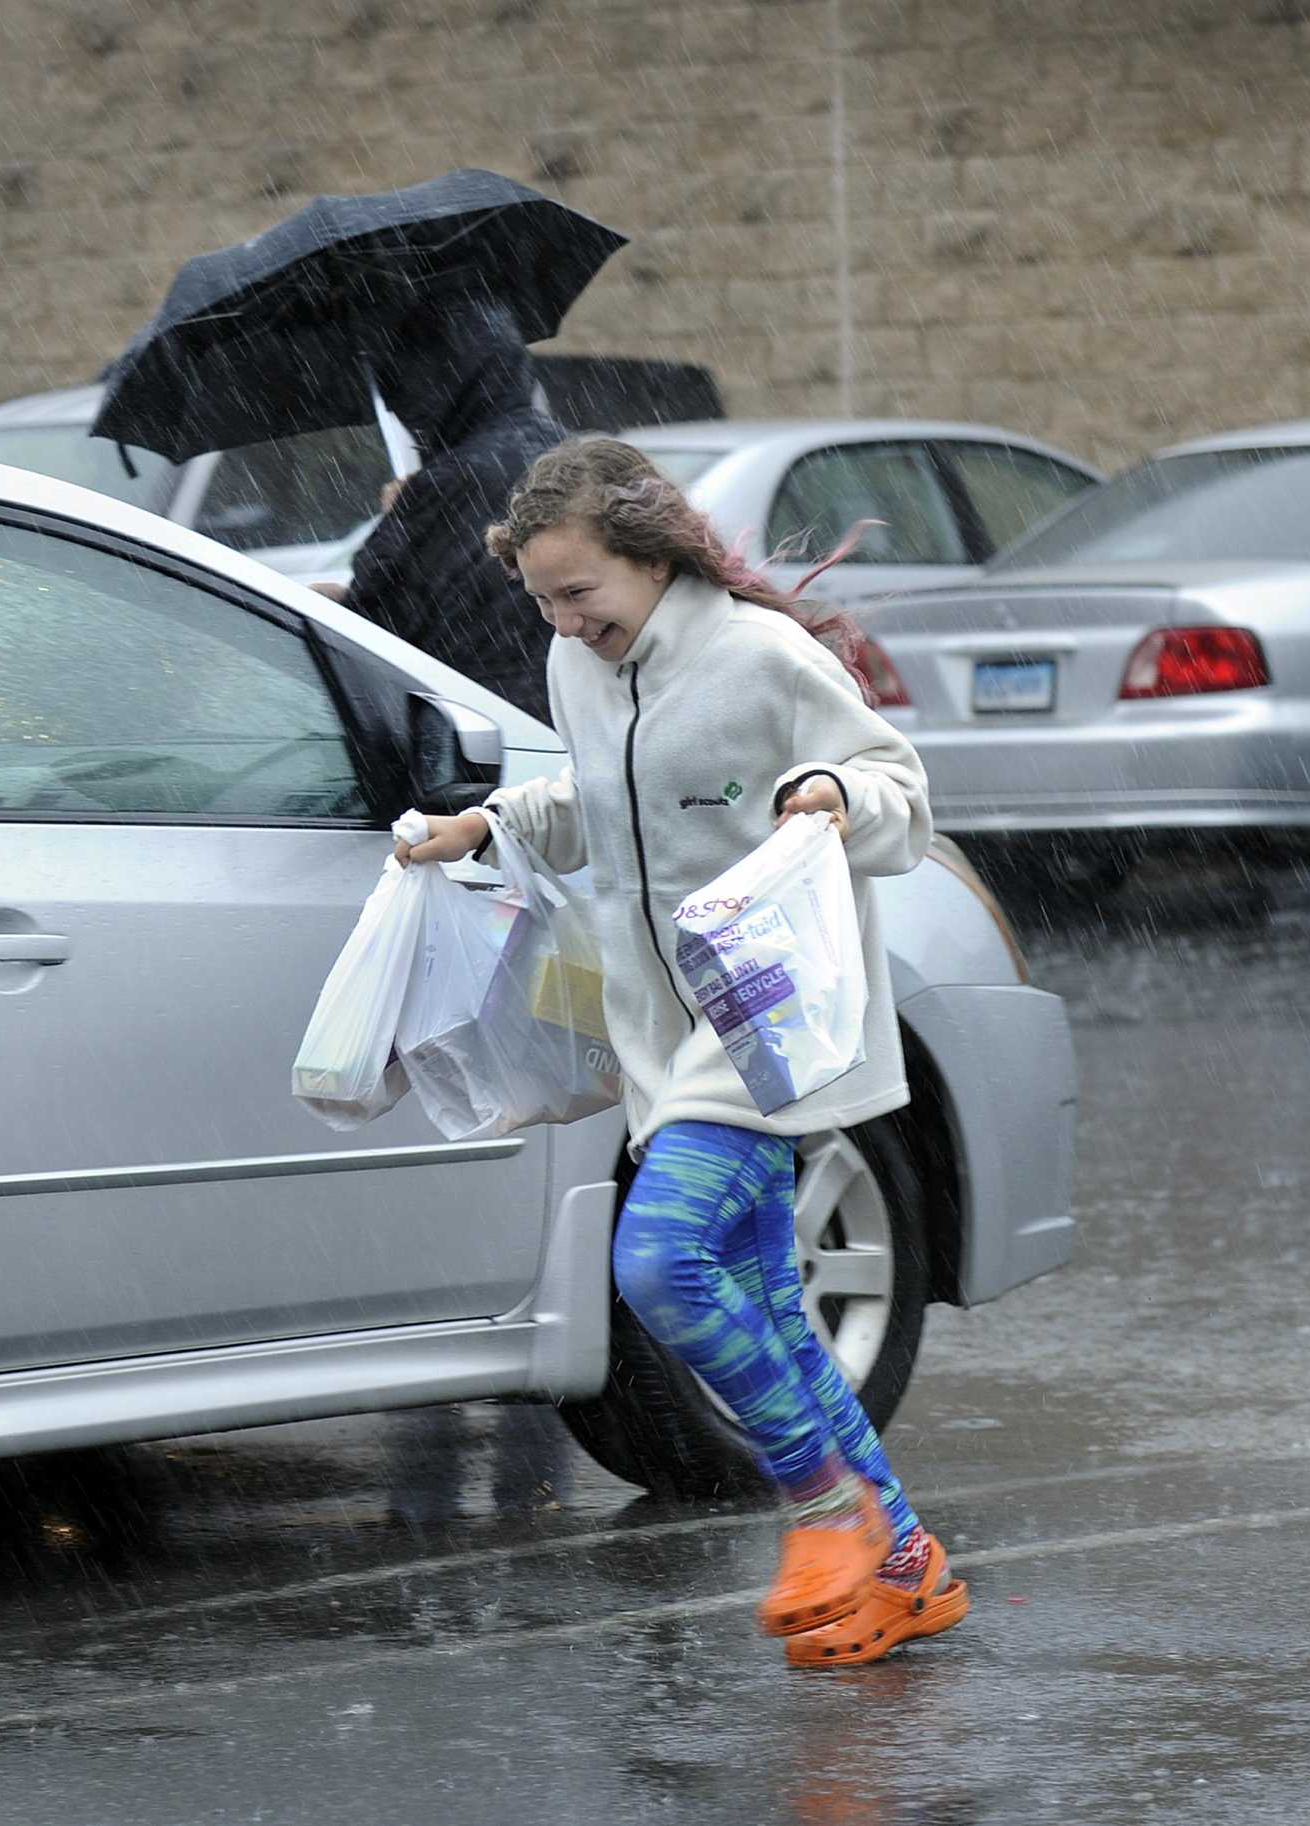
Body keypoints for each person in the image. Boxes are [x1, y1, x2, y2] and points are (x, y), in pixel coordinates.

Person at [397, 438, 970, 1664]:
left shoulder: (760, 657)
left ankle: (821, 1509)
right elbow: (598, 807)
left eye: (580, 594)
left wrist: (828, 791)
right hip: (658, 1034)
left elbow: (900, 793)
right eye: (543, 600)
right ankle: (909, 1566)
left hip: (768, 1025)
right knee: (767, 1300)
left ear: (651, 560)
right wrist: (485, 824)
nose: (562, 621)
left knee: (658, 1263)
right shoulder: (575, 662)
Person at [331, 298, 563, 724]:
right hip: (569, 713)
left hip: (482, 733)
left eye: (399, 383)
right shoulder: (566, 452)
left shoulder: (449, 482)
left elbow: (368, 629)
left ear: (430, 382)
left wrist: (402, 516)